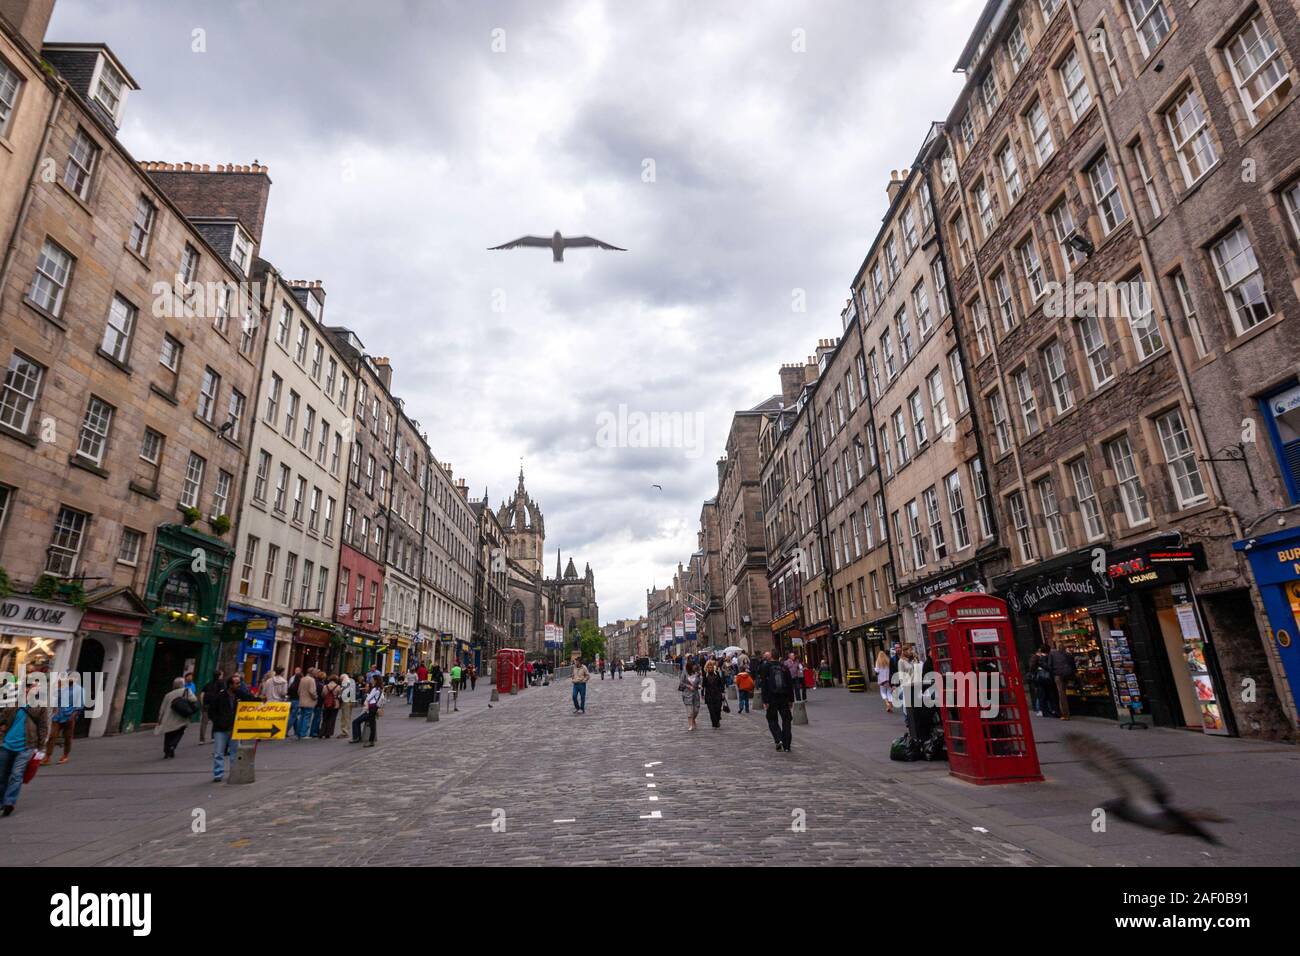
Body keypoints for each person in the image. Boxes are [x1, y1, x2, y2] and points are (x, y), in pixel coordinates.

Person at [0, 681, 48, 816]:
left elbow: (43, 727)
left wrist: (40, 748)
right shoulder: (14, 703)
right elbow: (3, 718)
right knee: (2, 775)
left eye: (34, 688)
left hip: (27, 746)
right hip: (6, 744)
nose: (30, 689)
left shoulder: (40, 706)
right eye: (29, 687)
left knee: (16, 774)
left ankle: (9, 802)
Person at [209, 673, 255, 783]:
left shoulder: (239, 694)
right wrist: (218, 721)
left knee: (234, 752)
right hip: (220, 728)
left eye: (239, 683)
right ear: (230, 685)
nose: (239, 685)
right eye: (237, 683)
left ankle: (233, 772)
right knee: (219, 752)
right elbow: (211, 711)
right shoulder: (220, 696)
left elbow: (251, 700)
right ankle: (218, 774)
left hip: (234, 727)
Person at [43, 672, 84, 765]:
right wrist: (55, 710)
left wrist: (73, 716)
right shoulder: (63, 688)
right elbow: (57, 699)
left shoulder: (79, 690)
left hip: (69, 717)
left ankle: (65, 755)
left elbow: (80, 705)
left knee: (67, 737)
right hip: (58, 716)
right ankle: (47, 756)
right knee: (52, 736)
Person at [156, 677, 197, 758]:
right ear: (183, 684)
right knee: (179, 732)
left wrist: (160, 719)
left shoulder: (168, 695)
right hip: (181, 716)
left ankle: (166, 750)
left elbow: (162, 708)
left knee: (168, 734)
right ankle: (172, 746)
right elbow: (194, 699)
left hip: (169, 717)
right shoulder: (187, 691)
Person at [760, 651, 793, 752]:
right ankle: (787, 744)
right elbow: (789, 684)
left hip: (771, 698)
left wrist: (765, 700)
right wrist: (791, 700)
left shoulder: (765, 667)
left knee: (772, 719)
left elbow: (764, 685)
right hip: (783, 697)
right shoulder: (784, 667)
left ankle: (778, 738)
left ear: (770, 657)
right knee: (786, 721)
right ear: (779, 657)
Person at [351, 676, 384, 746]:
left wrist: (367, 697)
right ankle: (368, 740)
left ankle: (370, 741)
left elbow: (368, 698)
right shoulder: (380, 689)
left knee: (372, 724)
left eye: (372, 679)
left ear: (375, 680)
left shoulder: (375, 689)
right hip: (375, 707)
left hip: (371, 707)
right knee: (372, 724)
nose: (371, 680)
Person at [1048, 642, 1076, 720]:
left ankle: (1065, 714)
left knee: (1062, 694)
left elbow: (1049, 666)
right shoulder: (1068, 655)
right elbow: (1073, 666)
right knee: (1066, 691)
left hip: (1058, 675)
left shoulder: (1052, 654)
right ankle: (1069, 711)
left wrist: (1053, 673)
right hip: (1067, 675)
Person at [198, 668, 224, 744]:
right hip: (215, 705)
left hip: (206, 704)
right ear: (219, 676)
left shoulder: (208, 684)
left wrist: (202, 704)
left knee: (204, 723)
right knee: (215, 722)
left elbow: (202, 694)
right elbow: (222, 694)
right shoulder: (221, 683)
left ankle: (201, 739)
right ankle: (213, 737)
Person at [701, 660, 727, 729]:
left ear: (713, 667)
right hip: (709, 694)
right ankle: (714, 723)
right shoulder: (705, 675)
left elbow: (721, 683)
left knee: (718, 709)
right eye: (708, 667)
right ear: (706, 667)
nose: (710, 668)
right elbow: (703, 685)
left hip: (717, 693)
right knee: (711, 710)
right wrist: (702, 694)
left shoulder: (717, 673)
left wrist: (723, 692)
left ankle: (717, 719)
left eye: (711, 666)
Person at [678, 661, 701, 731]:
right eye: (693, 666)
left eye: (695, 666)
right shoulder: (685, 672)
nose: (695, 667)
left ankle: (693, 719)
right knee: (690, 711)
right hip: (687, 694)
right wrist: (688, 686)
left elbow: (699, 681)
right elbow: (681, 682)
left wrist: (699, 685)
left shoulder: (697, 672)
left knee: (696, 710)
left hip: (695, 694)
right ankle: (690, 725)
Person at [296, 667, 319, 740]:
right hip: (309, 702)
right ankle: (303, 734)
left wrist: (301, 697)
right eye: (315, 672)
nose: (316, 674)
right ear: (312, 673)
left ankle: (298, 733)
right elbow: (312, 691)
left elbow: (299, 691)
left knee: (301, 717)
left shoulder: (302, 679)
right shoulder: (311, 680)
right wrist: (315, 697)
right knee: (307, 718)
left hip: (302, 701)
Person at [320, 674, 342, 739]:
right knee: (332, 718)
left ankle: (322, 732)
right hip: (335, 704)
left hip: (326, 703)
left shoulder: (325, 686)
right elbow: (339, 696)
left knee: (325, 718)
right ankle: (328, 733)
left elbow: (323, 695)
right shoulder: (338, 687)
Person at [338, 672, 357, 738]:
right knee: (348, 716)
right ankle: (346, 730)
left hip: (346, 701)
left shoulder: (345, 683)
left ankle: (345, 731)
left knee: (345, 716)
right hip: (351, 700)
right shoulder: (352, 682)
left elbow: (342, 693)